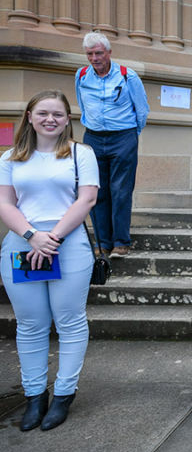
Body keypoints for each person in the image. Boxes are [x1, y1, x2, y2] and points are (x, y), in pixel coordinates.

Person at [0, 91, 99, 431]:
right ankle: (33, 396)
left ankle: (62, 395)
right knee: (30, 324)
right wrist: (32, 237)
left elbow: (87, 199)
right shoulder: (11, 157)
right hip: (22, 246)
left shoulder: (79, 154)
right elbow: (5, 203)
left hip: (67, 245)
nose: (50, 119)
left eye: (58, 114)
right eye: (43, 113)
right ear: (29, 116)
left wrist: (52, 238)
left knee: (69, 321)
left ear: (67, 120)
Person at [75, 31, 149, 258]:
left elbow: (142, 110)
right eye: (90, 54)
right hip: (93, 138)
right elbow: (82, 104)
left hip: (123, 137)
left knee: (120, 190)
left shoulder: (128, 76)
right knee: (96, 190)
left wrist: (129, 135)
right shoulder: (81, 75)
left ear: (109, 52)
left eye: (98, 53)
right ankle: (102, 242)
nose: (94, 58)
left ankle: (120, 241)